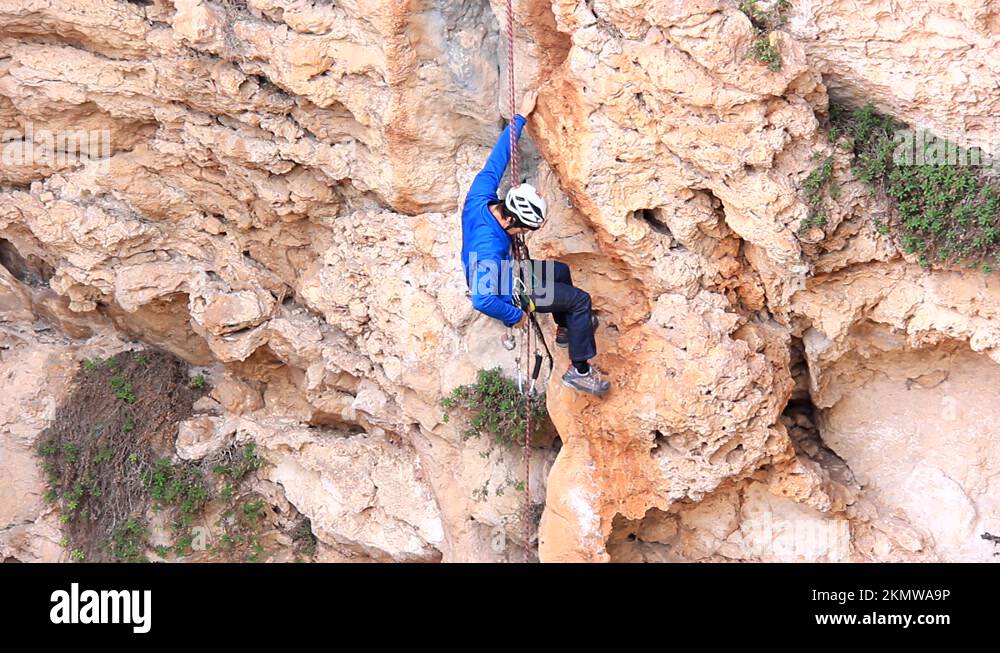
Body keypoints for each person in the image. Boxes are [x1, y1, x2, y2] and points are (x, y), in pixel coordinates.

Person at [460, 90, 610, 397]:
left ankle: (567, 330)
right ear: (511, 221)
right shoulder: (489, 249)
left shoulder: (480, 197)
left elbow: (497, 160)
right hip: (507, 288)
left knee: (558, 272)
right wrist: (517, 317)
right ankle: (580, 371)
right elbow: (482, 299)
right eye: (524, 230)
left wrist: (520, 118)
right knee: (580, 300)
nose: (523, 234)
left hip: (506, 274)